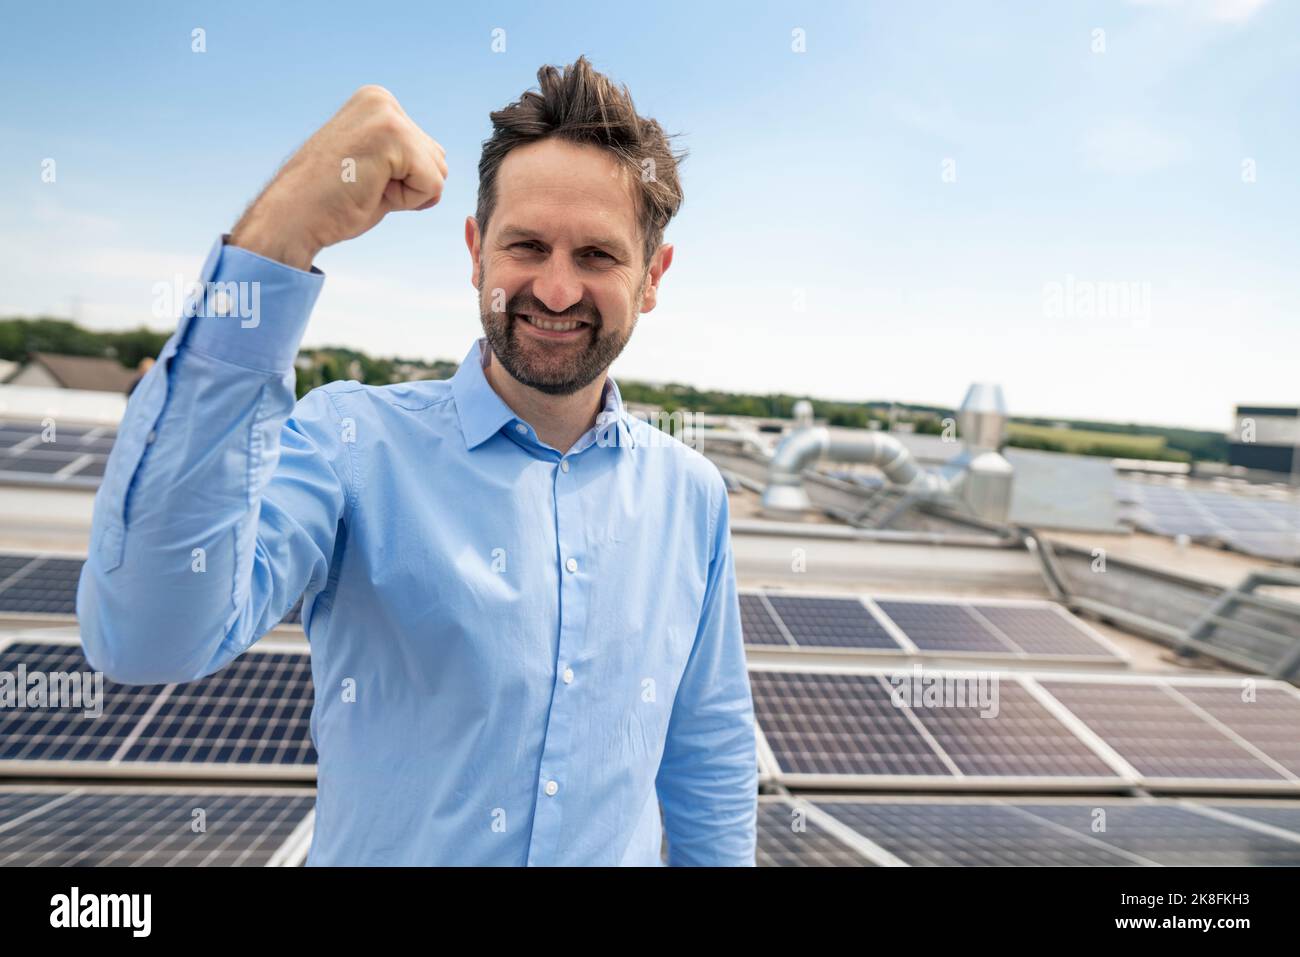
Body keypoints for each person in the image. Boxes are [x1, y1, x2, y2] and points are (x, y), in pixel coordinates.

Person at [77, 56, 757, 866]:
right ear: (475, 253)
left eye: (599, 257)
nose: (557, 289)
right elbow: (147, 634)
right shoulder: (348, 444)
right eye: (527, 245)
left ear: (653, 278)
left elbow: (707, 751)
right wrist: (283, 230)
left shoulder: (691, 495)